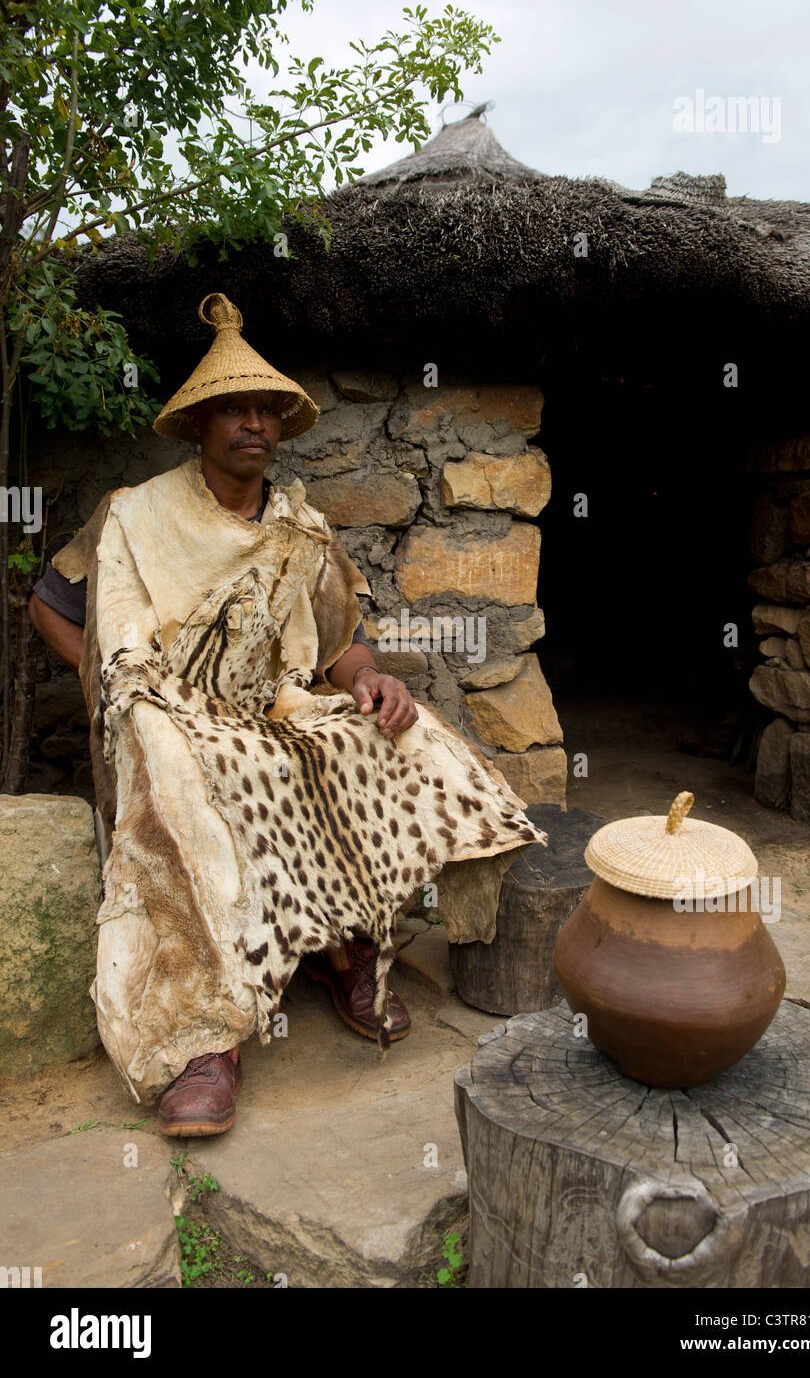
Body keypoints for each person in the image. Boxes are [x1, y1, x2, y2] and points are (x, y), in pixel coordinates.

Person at [28, 293, 548, 1137]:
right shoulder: (136, 512)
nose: (254, 424)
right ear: (198, 424)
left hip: (275, 709)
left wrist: (373, 678)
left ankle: (340, 950)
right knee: (177, 769)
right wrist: (115, 694)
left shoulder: (300, 529)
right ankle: (206, 1035)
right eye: (234, 408)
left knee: (405, 742)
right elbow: (50, 608)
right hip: (171, 712)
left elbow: (339, 646)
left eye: (267, 409)